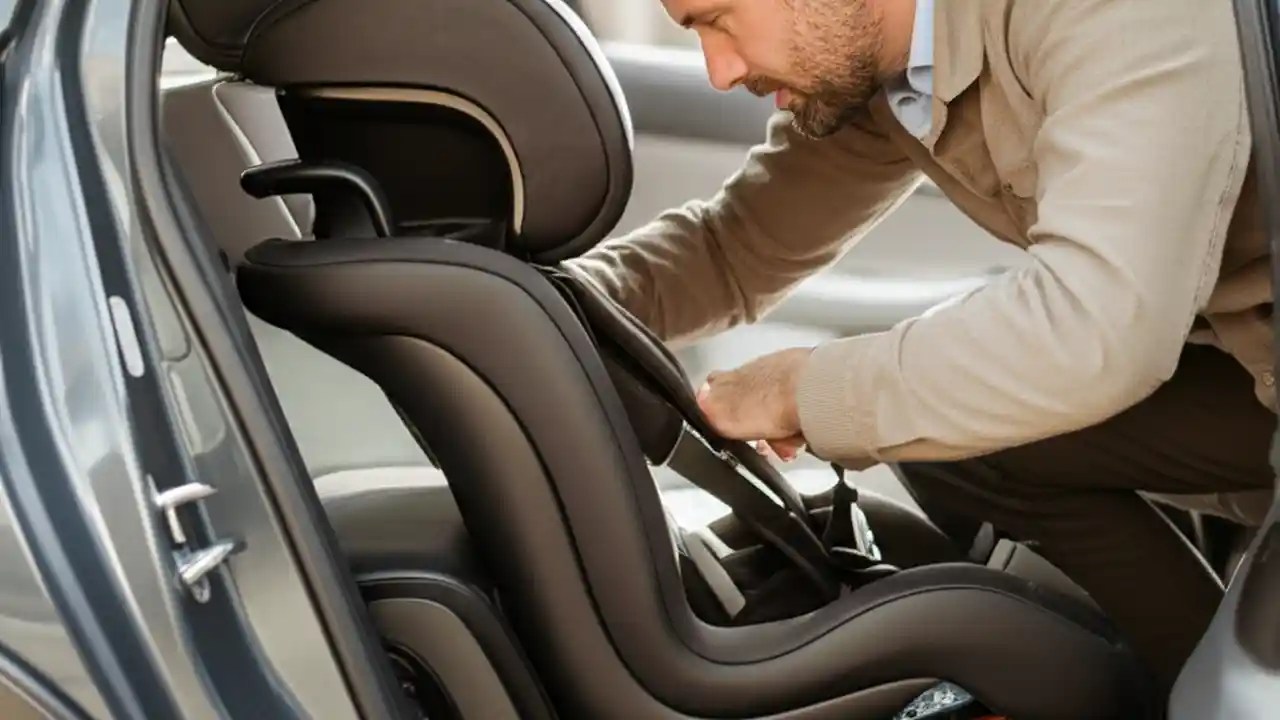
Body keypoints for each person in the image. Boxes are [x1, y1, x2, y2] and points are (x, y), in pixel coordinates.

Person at [566, 0, 1277, 699]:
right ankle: (1182, 686)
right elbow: (731, 249)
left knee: (927, 413)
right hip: (1247, 375)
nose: (718, 71)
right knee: (954, 436)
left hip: (1229, 372)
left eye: (717, 19)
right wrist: (539, 303)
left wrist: (803, 390)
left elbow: (1099, 328)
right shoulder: (886, 70)